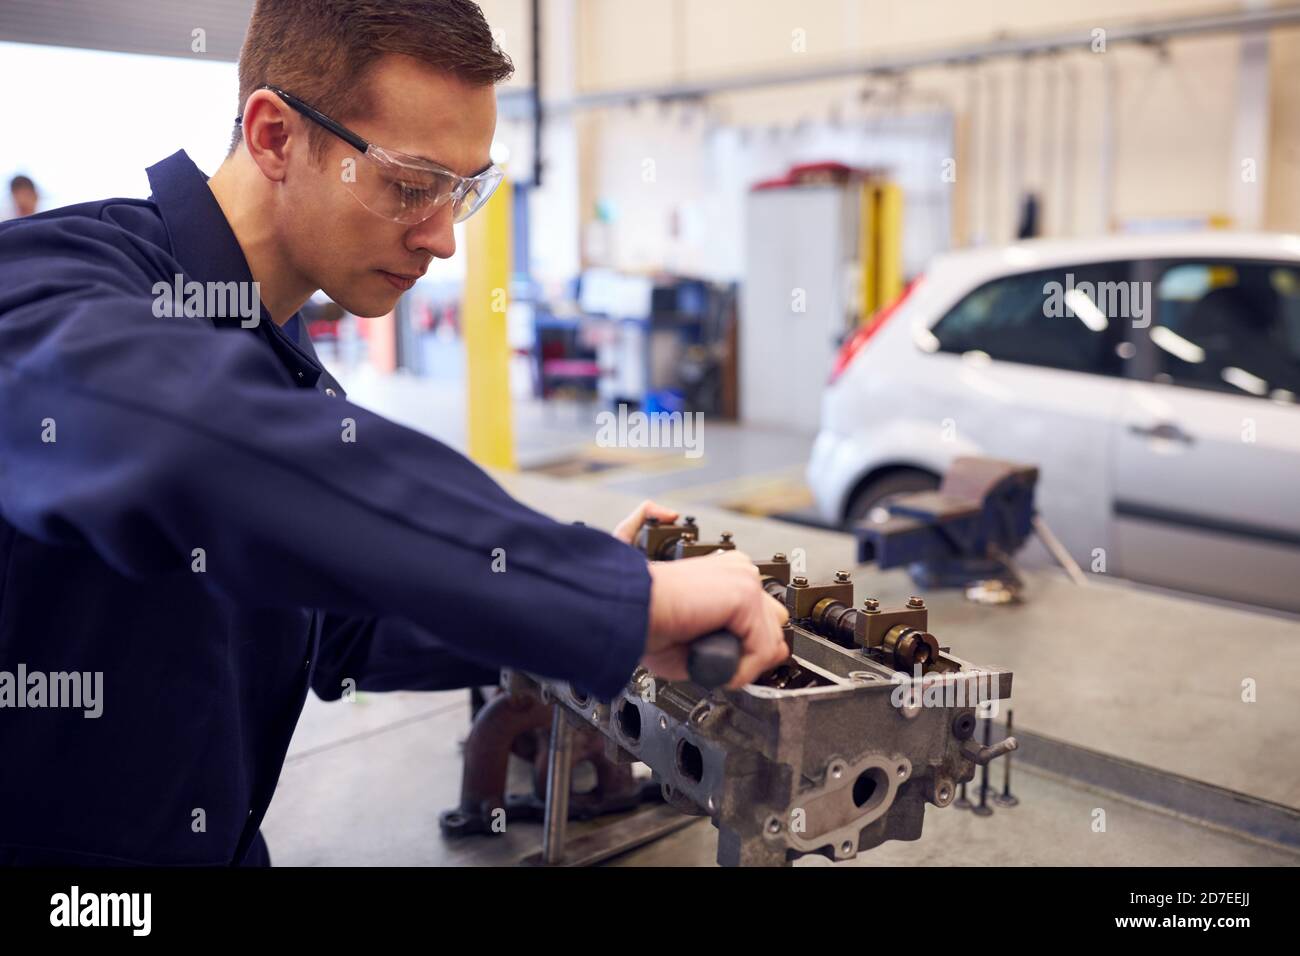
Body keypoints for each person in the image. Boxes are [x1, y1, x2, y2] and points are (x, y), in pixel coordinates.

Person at [0, 0, 789, 866]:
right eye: (412, 185)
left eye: (464, 191)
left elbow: (342, 618)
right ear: (273, 137)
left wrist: (563, 597)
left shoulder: (276, 346)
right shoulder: (50, 288)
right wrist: (603, 596)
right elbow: (195, 448)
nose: (443, 239)